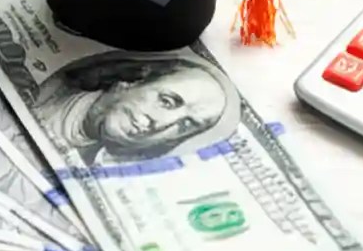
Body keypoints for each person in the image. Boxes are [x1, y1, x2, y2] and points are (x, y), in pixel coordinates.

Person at [33, 51, 233, 165]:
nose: (161, 123)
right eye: (166, 101)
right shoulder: (39, 92)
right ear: (133, 80)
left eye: (185, 125)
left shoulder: (84, 171)